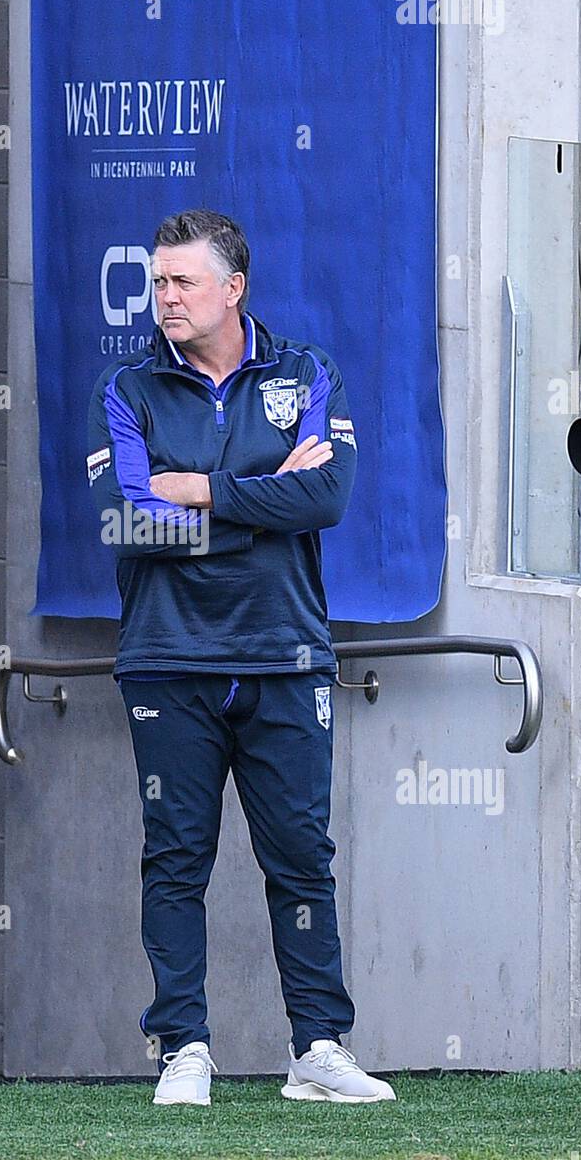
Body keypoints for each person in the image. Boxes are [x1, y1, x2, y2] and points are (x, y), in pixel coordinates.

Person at [86, 208, 395, 1106]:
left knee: (300, 856)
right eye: (158, 281)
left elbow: (327, 497)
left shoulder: (305, 374)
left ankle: (318, 1049)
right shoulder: (129, 386)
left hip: (284, 655)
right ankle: (183, 1047)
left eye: (182, 282)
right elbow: (125, 520)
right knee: (176, 857)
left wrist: (199, 493)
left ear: (234, 288)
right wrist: (262, 503)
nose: (164, 298)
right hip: (167, 658)